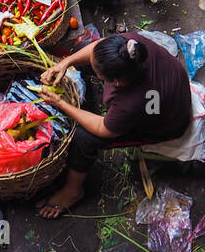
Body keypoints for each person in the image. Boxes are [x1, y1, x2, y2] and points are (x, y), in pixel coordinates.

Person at [36, 33, 193, 218]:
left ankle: (73, 191)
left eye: (98, 72)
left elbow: (104, 129)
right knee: (80, 51)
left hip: (165, 121)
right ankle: (85, 92)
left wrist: (61, 104)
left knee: (83, 137)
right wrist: (65, 63)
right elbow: (97, 48)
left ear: (116, 82)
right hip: (168, 86)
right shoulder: (128, 47)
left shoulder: (131, 102)